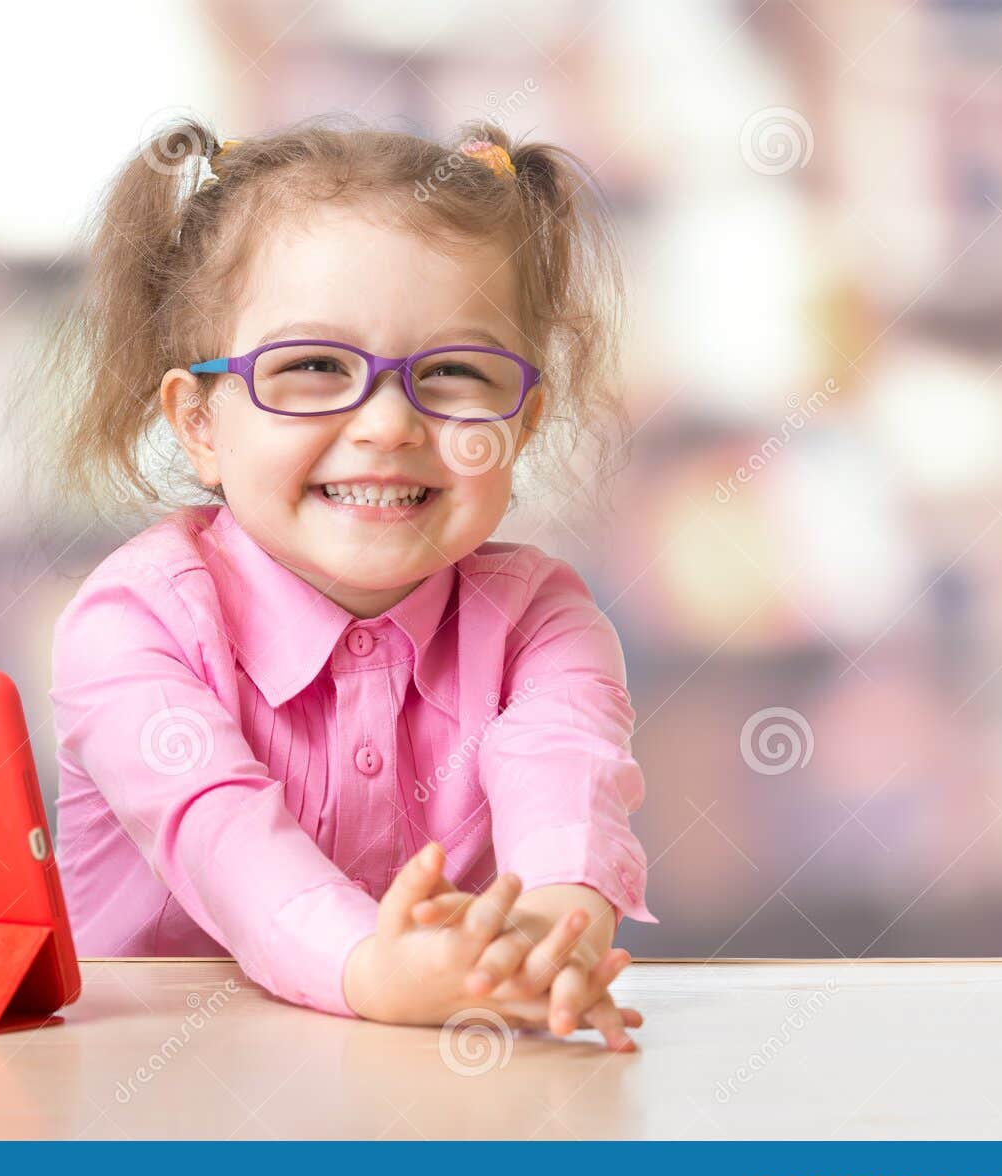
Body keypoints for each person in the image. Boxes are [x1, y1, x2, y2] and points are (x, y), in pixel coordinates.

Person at [40, 114, 654, 1048]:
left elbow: (567, 779)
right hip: (161, 1099)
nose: (387, 424)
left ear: (521, 424)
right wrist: (373, 966)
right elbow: (221, 834)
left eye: (452, 372)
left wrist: (542, 943)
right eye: (314, 366)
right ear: (200, 422)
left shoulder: (542, 621)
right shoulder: (135, 624)